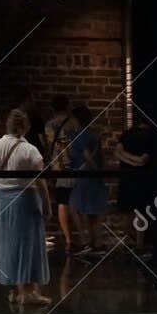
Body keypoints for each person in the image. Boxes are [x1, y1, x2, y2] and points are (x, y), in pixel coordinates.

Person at [0, 109, 51, 307]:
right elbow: (41, 182)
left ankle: (16, 289)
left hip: (2, 198)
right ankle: (27, 293)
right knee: (29, 245)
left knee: (9, 244)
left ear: (7, 126)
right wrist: (47, 205)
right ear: (25, 127)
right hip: (26, 198)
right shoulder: (30, 150)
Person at [67, 104, 108, 255]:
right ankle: (96, 243)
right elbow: (100, 156)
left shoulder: (79, 135)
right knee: (91, 210)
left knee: (75, 207)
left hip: (86, 176)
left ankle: (85, 242)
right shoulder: (92, 134)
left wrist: (96, 170)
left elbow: (87, 156)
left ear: (76, 119)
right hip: (92, 177)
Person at [115, 115, 157, 258]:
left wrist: (128, 161)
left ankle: (129, 243)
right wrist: (135, 162)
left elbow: (118, 152)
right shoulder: (150, 137)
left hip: (125, 177)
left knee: (128, 211)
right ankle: (139, 245)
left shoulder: (127, 134)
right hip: (141, 179)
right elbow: (143, 160)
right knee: (140, 211)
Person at [43, 96, 81, 255]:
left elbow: (48, 145)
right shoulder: (74, 123)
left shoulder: (49, 125)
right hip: (74, 166)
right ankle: (81, 238)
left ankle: (68, 240)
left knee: (62, 203)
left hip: (57, 167)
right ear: (68, 106)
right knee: (76, 203)